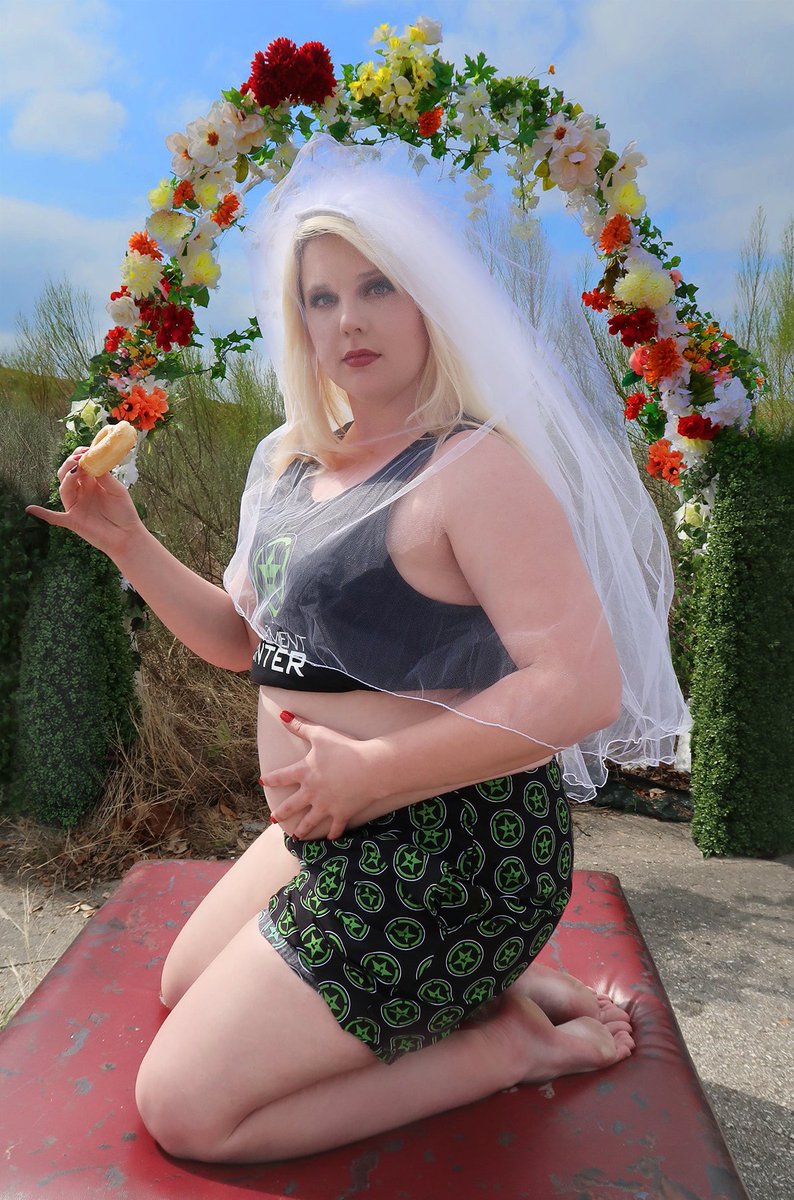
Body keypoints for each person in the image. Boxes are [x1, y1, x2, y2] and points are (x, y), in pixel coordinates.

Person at [27, 135, 689, 1163]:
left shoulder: (474, 469)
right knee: (180, 984)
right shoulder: (286, 463)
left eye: (378, 287)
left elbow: (581, 687)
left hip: (450, 850)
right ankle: (486, 989)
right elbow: (240, 641)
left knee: (188, 1108)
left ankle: (503, 1043)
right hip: (330, 831)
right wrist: (127, 540)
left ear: (429, 300)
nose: (349, 320)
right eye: (321, 299)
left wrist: (376, 773)